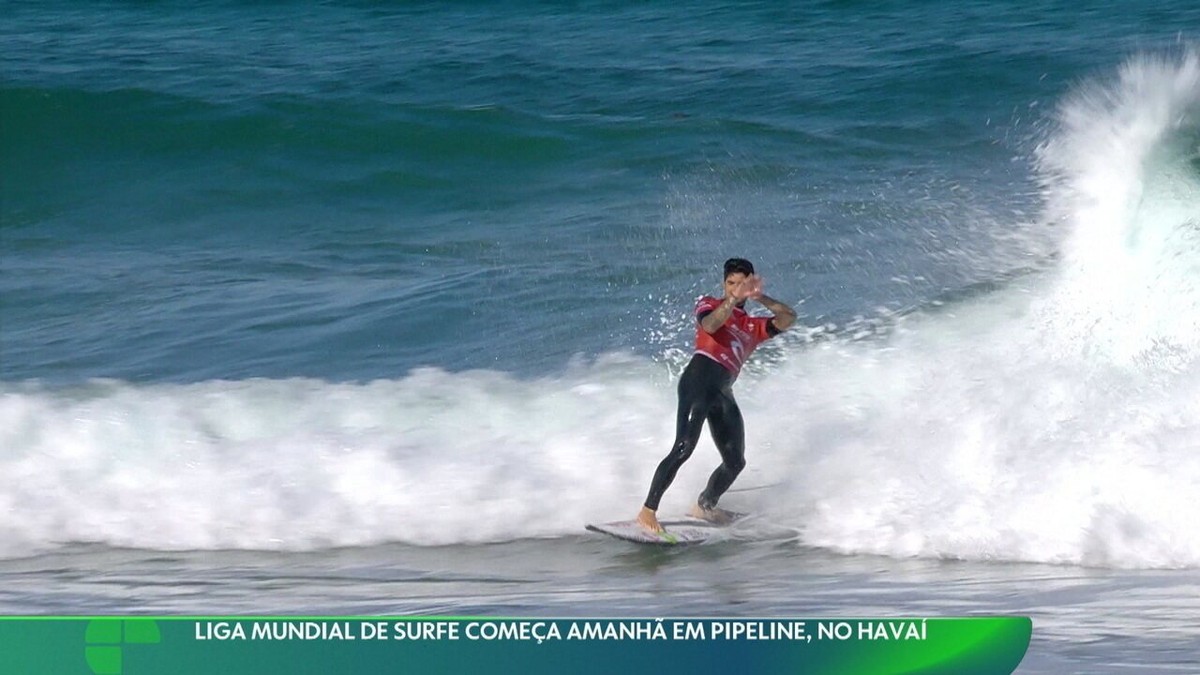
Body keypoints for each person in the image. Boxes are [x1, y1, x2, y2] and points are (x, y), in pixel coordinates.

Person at [637, 258, 797, 534]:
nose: (734, 288)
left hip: (723, 391)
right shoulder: (709, 303)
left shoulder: (753, 326)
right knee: (684, 447)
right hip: (698, 382)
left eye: (741, 284)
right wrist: (732, 301)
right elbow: (710, 326)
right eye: (730, 283)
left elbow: (788, 318)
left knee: (735, 461)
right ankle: (647, 512)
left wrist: (761, 297)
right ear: (724, 284)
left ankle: (705, 505)